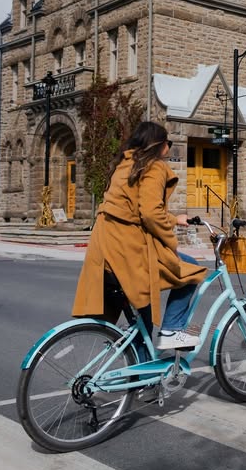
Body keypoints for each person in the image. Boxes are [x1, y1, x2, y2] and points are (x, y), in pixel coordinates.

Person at [71, 121, 208, 350]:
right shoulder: (154, 167)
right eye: (169, 143)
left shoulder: (125, 164)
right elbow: (150, 213)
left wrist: (175, 219)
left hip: (106, 251)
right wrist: (169, 242)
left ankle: (140, 383)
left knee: (141, 324)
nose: (169, 148)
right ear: (159, 145)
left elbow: (132, 207)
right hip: (128, 252)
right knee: (191, 269)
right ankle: (172, 330)